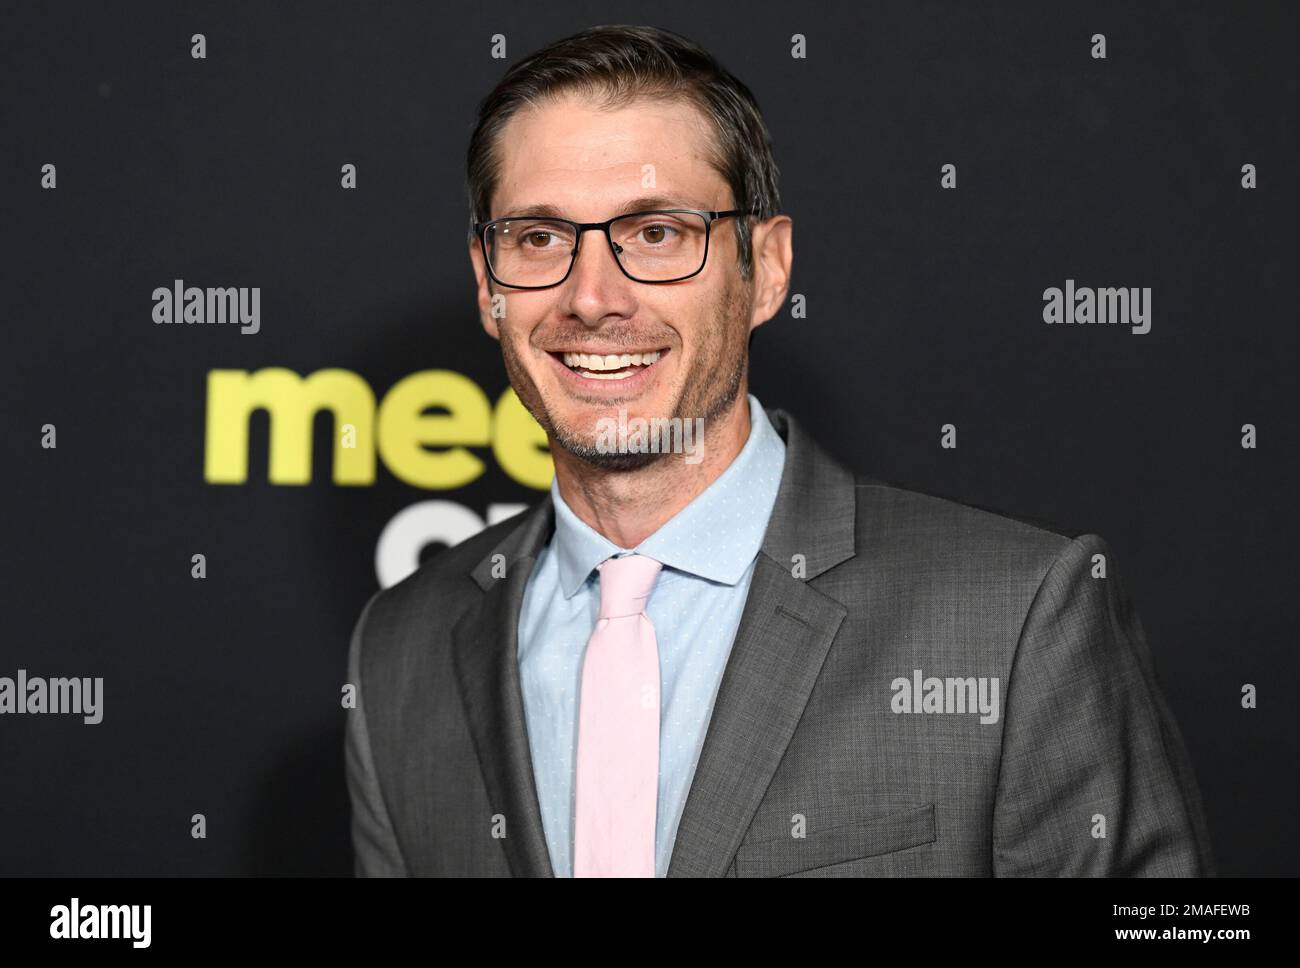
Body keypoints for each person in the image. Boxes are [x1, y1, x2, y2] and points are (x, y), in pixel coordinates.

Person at [344, 24, 1215, 877]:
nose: (592, 297)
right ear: (486, 284)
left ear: (766, 267)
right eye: (538, 239)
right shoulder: (400, 651)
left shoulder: (1015, 619)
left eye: (656, 234)